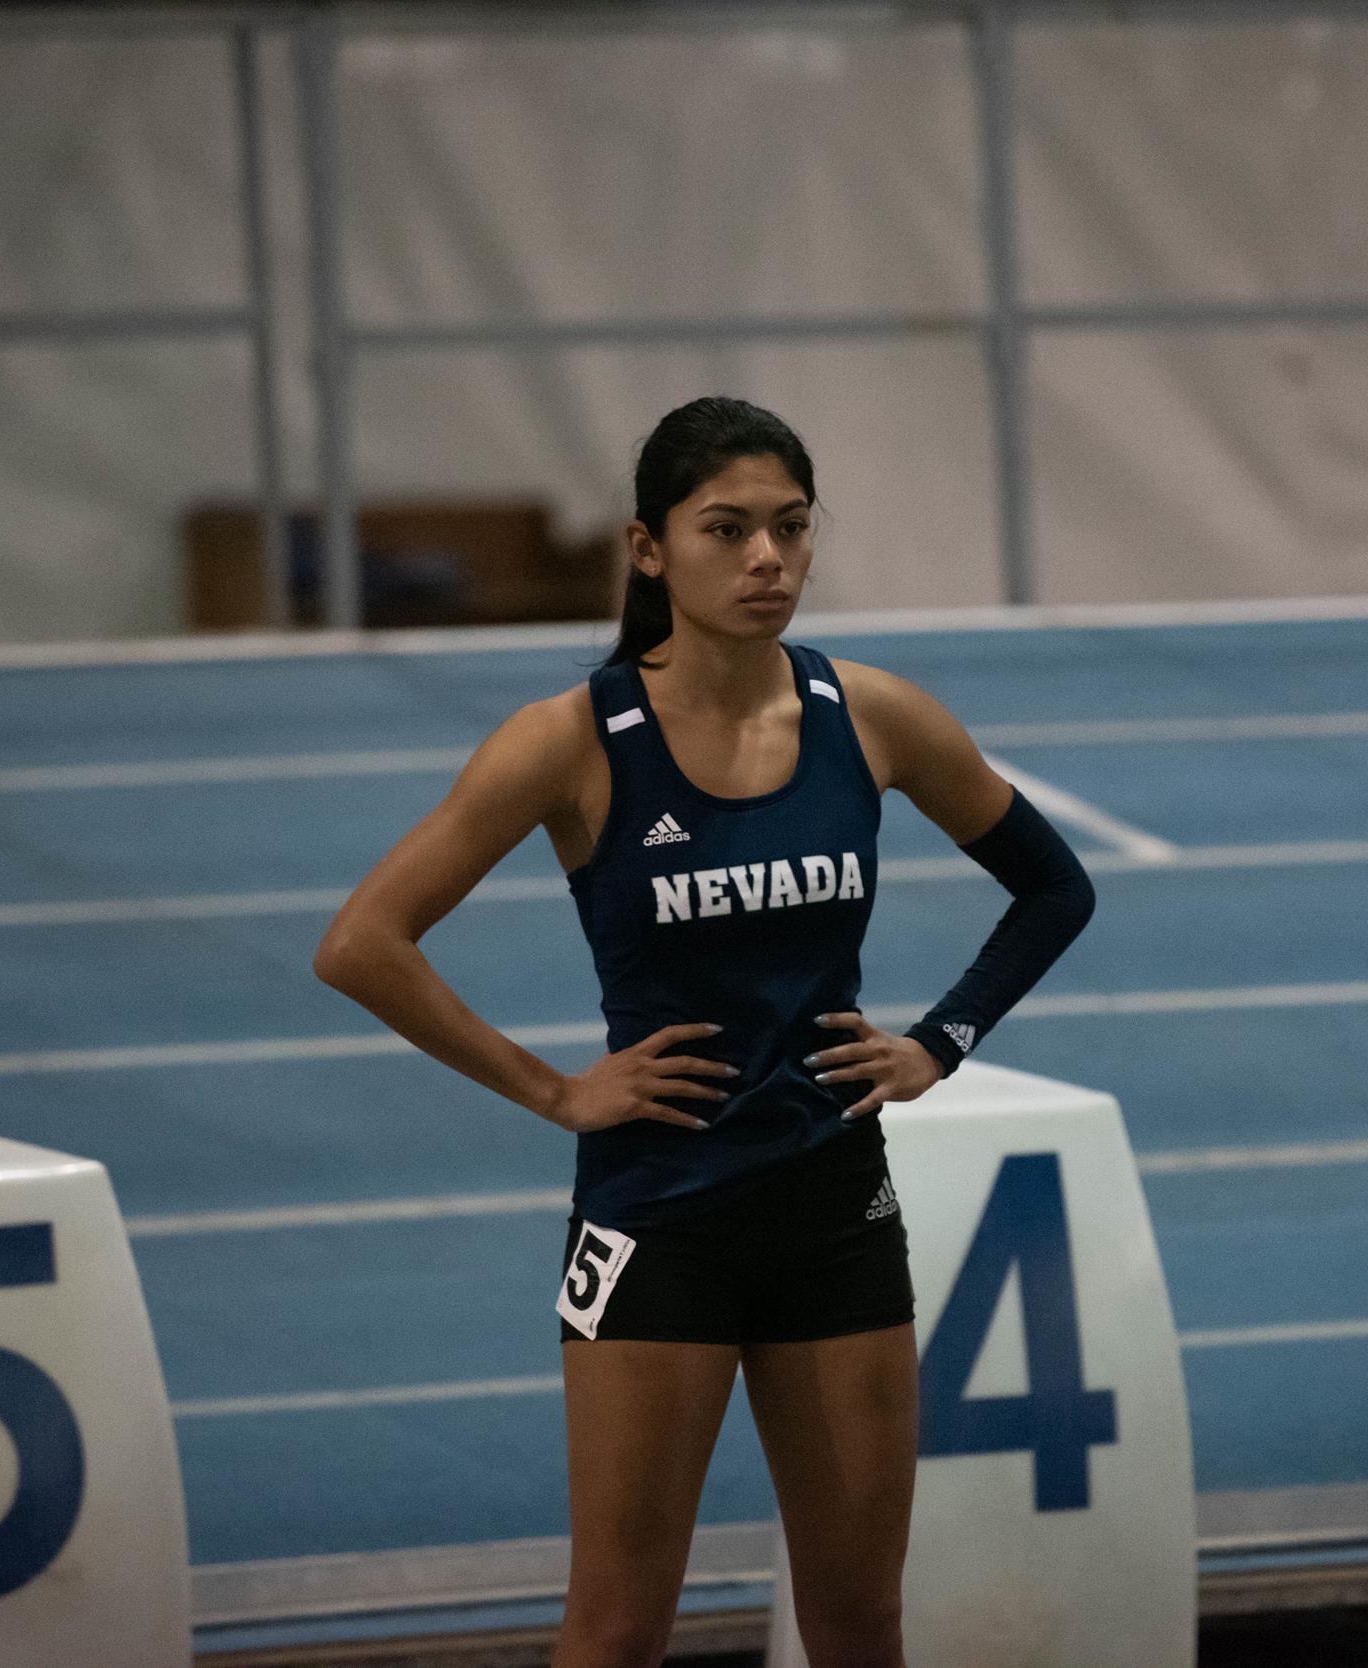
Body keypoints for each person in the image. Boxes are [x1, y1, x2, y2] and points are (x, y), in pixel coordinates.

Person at [313, 396, 1095, 1668]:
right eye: (726, 530)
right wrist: (554, 1091)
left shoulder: (872, 717)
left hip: (835, 1214)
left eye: (788, 529)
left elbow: (1054, 887)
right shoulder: (572, 741)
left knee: (859, 1624)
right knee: (618, 1630)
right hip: (657, 1217)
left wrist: (937, 1043)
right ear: (646, 548)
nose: (766, 561)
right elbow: (362, 943)